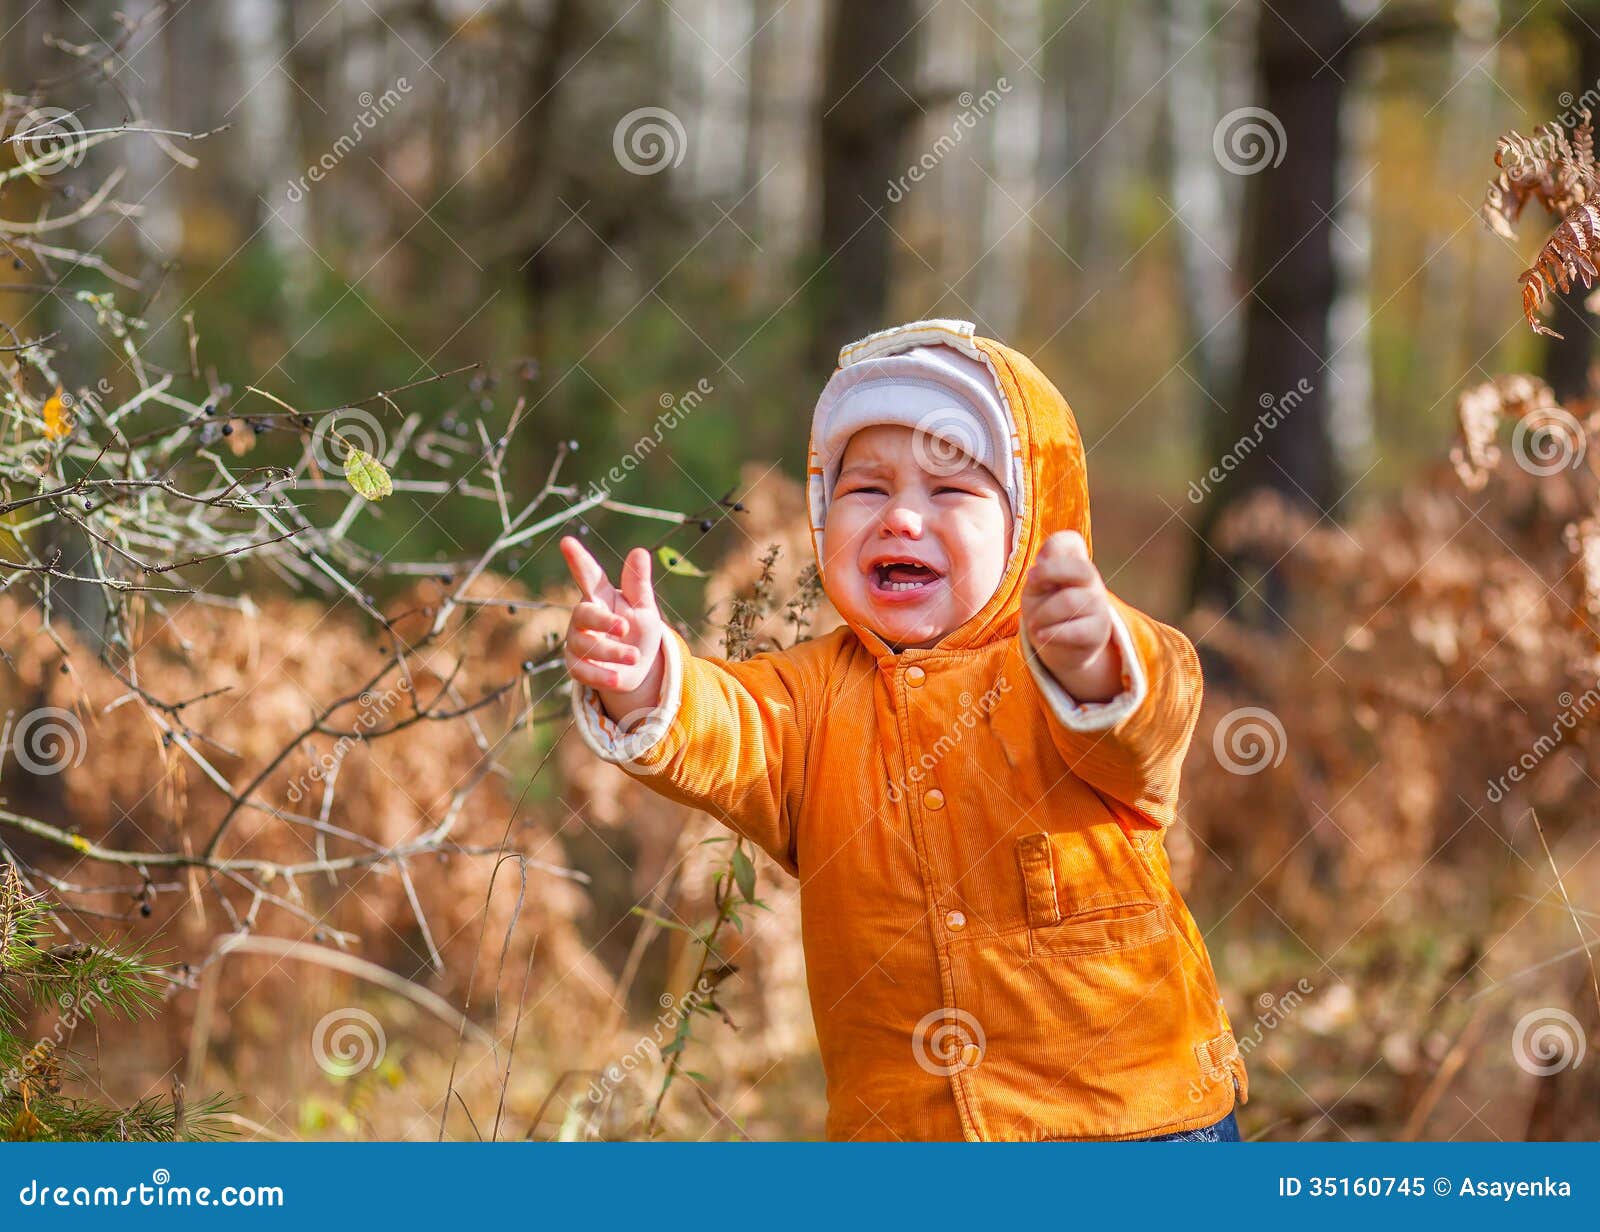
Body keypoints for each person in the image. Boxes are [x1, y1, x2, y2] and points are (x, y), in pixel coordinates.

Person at [562, 318, 1247, 1141]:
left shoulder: (1065, 672)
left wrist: (1096, 657)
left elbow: (1156, 706)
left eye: (950, 490)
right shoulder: (809, 695)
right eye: (866, 489)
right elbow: (727, 727)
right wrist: (645, 680)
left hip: (1129, 1122)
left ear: (1032, 527)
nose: (901, 518)